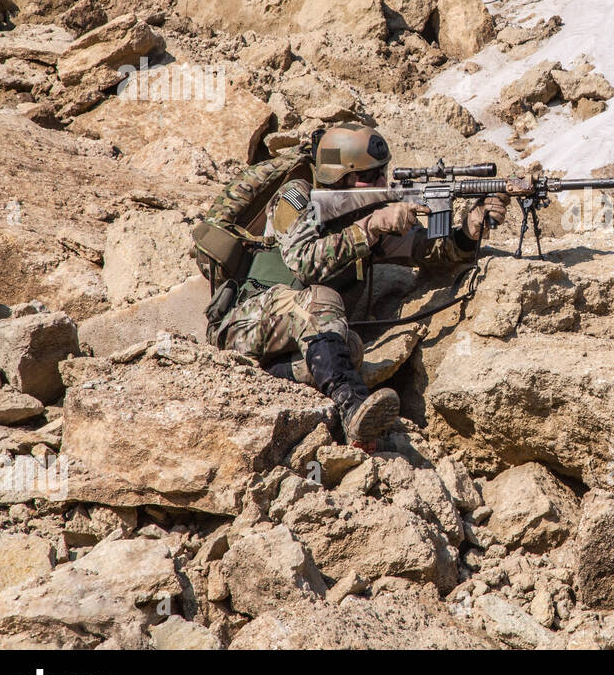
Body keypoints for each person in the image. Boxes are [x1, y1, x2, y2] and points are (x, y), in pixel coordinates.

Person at [211, 123, 508, 448]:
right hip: (246, 322)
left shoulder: (367, 212)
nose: (383, 183)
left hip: (293, 339)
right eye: (372, 176)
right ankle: (352, 409)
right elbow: (303, 260)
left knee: (347, 349)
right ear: (343, 178)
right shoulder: (297, 197)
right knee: (321, 301)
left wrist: (468, 230)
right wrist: (371, 226)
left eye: (383, 172)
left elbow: (430, 252)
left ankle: (270, 376)